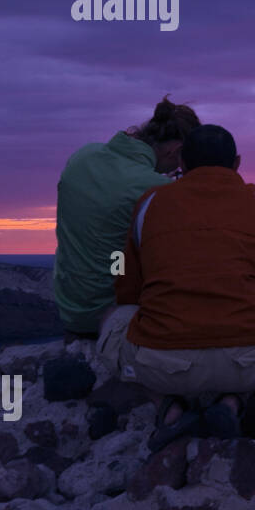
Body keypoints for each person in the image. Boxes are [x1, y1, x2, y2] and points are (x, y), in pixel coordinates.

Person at [97, 125, 255, 449]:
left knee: (115, 317)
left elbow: (128, 288)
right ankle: (234, 401)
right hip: (250, 363)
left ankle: (168, 409)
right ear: (237, 163)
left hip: (162, 366)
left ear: (182, 163)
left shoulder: (150, 202)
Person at [53, 97, 200, 340]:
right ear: (175, 150)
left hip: (71, 309)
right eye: (179, 165)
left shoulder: (82, 157)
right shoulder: (154, 186)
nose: (176, 171)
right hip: (110, 314)